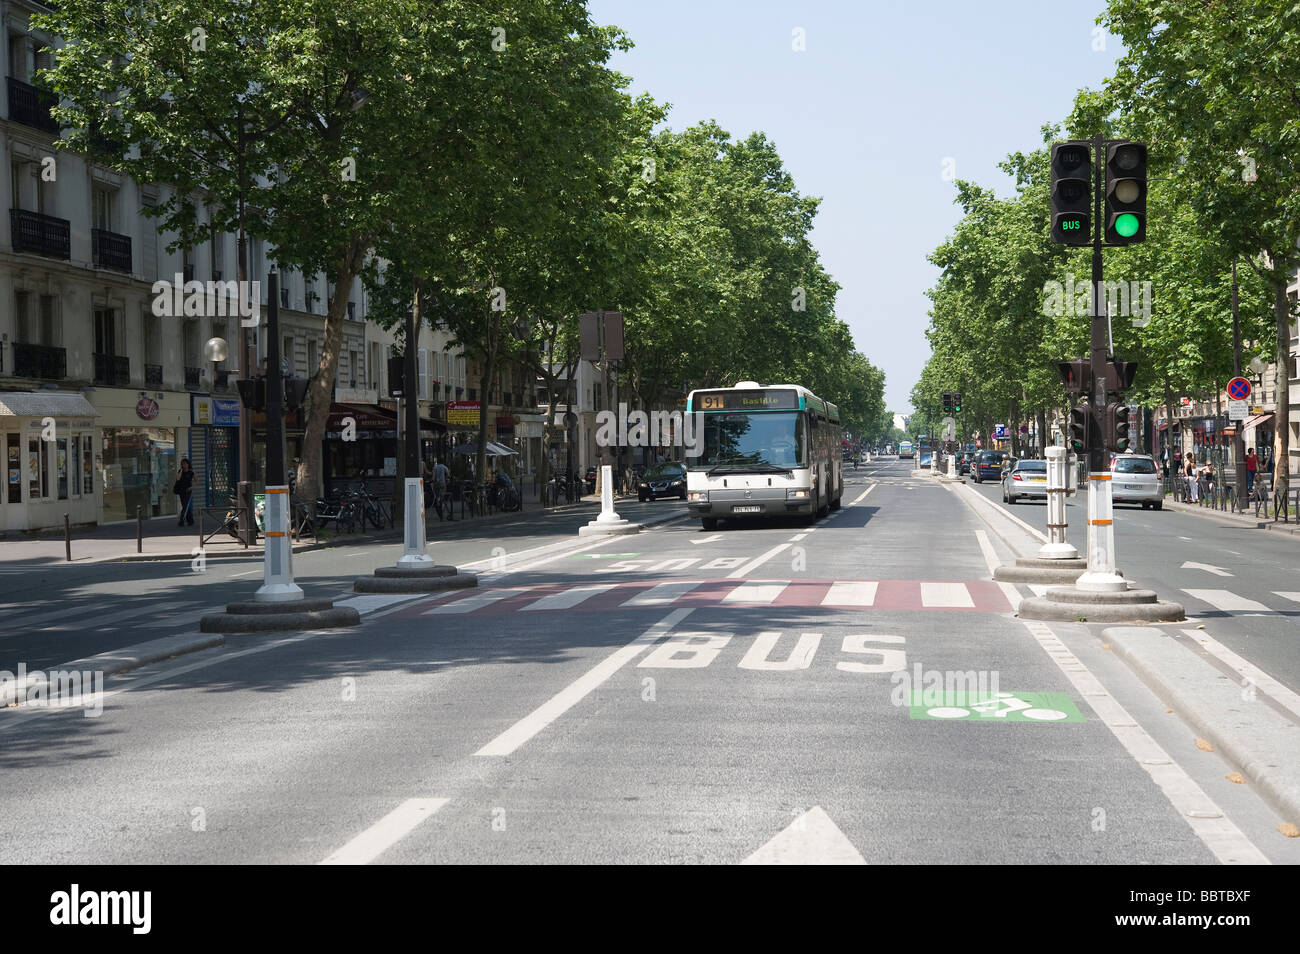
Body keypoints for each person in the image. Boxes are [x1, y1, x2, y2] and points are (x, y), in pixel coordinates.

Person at [174, 458, 195, 526]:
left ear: (188, 464)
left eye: (185, 463)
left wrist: (192, 487)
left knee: (186, 505)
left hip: (188, 491)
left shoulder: (191, 472)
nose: (184, 465)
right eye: (183, 464)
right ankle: (190, 520)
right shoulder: (180, 471)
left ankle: (181, 520)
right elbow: (178, 479)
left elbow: (197, 480)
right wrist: (181, 471)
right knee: (185, 506)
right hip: (181, 491)